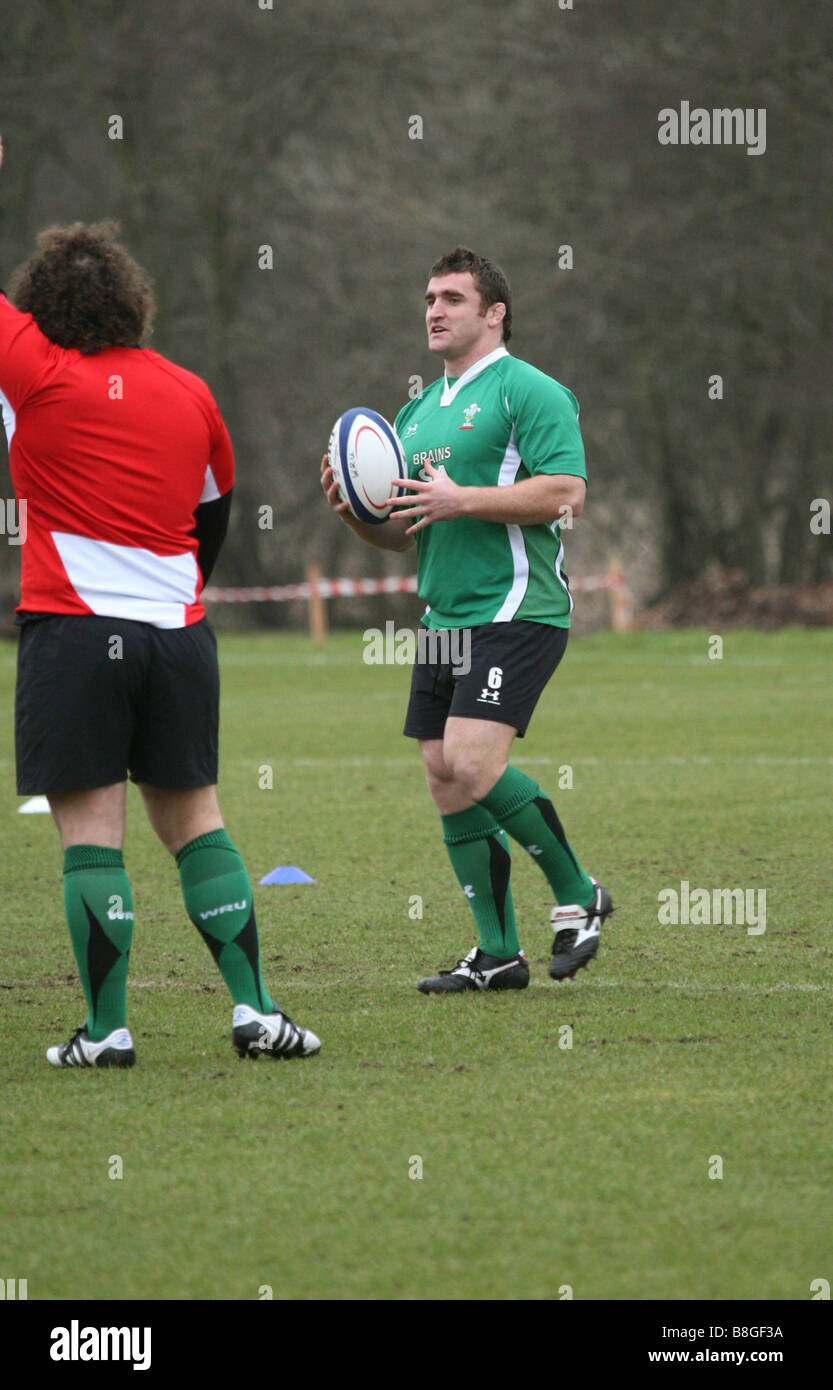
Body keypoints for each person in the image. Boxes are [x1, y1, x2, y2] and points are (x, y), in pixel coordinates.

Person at [0, 139, 319, 1065]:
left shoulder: (36, 369)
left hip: (73, 633)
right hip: (180, 639)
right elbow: (212, 516)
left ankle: (106, 1032)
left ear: (43, 307)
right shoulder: (191, 391)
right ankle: (258, 1012)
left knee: (91, 836)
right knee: (197, 824)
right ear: (133, 301)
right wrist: (174, 597)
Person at [321, 245, 613, 993]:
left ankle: (580, 896)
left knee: (474, 762)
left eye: (451, 298)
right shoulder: (415, 412)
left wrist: (465, 499)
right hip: (444, 612)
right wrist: (357, 516)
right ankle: (498, 953)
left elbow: (564, 493)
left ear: (494, 312)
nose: (433, 310)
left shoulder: (530, 391)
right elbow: (404, 528)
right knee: (443, 775)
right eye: (428, 298)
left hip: (516, 606)